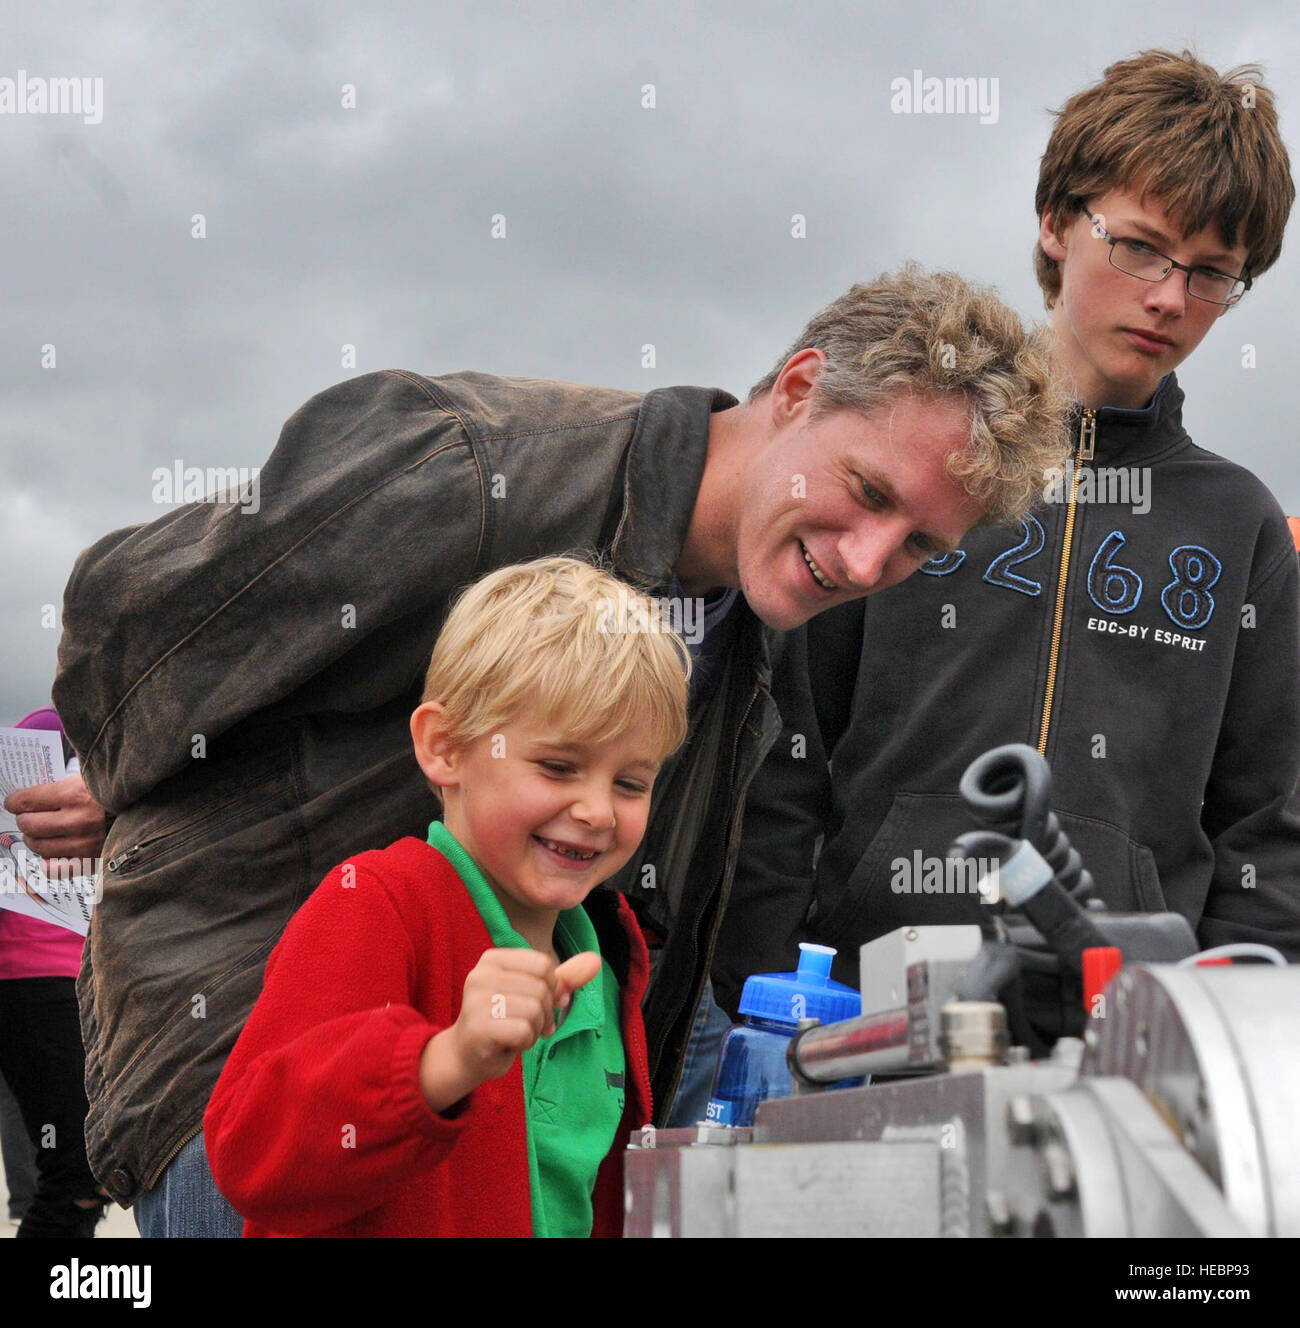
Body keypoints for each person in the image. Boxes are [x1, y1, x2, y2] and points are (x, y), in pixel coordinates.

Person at [52, 264, 1069, 1232]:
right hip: (255, 1081)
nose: (865, 560)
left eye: (919, 547)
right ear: (800, 386)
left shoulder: (762, 628)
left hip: (511, 1118)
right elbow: (133, 623)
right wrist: (142, 774)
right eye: (870, 491)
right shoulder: (465, 462)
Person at [711, 51, 1300, 1041]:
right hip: (851, 1022)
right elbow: (783, 745)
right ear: (1056, 221)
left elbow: (1270, 825)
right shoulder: (910, 462)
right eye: (1141, 247)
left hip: (1123, 1047)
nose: (1167, 297)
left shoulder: (1240, 524)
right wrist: (764, 992)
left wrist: (1220, 1030)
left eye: (1210, 273)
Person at [204, 558, 685, 1236]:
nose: (598, 810)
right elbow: (249, 1155)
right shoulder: (376, 904)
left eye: (631, 783)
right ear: (445, 748)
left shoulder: (607, 967)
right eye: (557, 766)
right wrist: (446, 1060)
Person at [0, 707, 108, 1237]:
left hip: (91, 973)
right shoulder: (49, 725)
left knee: (89, 1177)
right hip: (33, 973)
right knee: (76, 1178)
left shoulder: (150, 744)